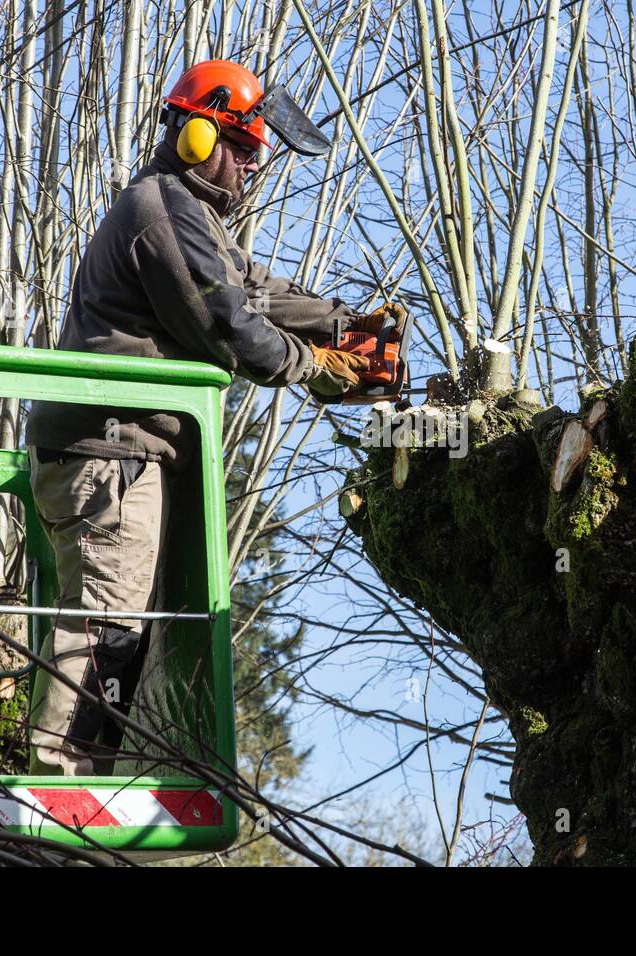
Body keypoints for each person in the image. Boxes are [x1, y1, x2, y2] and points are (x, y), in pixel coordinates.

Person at [22, 59, 401, 775]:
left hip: (121, 453)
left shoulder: (188, 215)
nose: (252, 168)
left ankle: (71, 773)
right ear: (199, 135)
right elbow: (225, 322)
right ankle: (56, 781)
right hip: (110, 452)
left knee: (116, 621)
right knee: (107, 625)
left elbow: (253, 287)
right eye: (245, 149)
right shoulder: (158, 210)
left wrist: (342, 321)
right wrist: (312, 365)